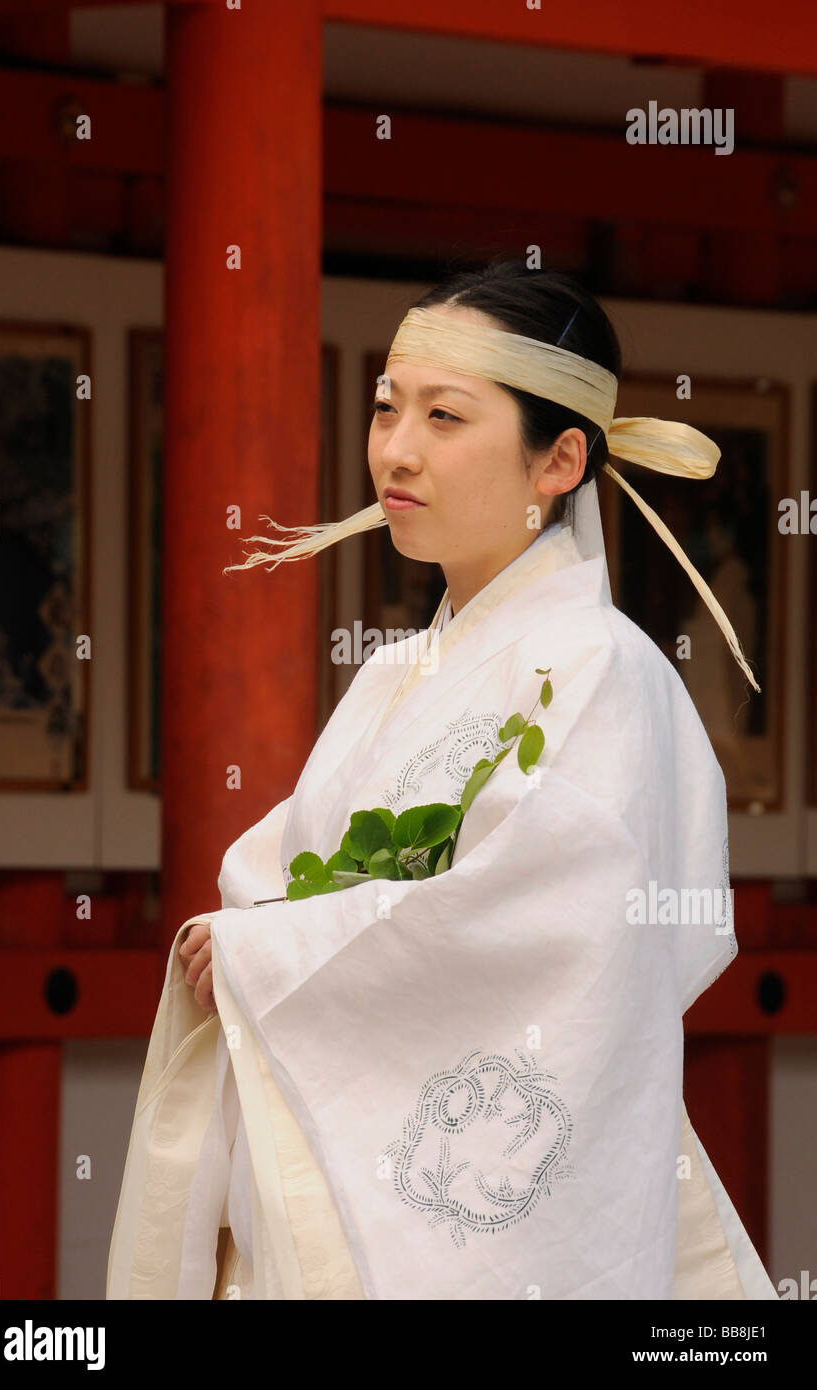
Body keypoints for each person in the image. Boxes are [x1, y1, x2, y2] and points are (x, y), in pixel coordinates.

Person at [107, 262, 777, 1300]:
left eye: (444, 415)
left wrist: (268, 947)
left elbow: (553, 929)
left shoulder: (603, 668)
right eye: (386, 409)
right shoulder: (393, 672)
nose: (397, 449)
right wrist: (256, 933)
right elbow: (282, 869)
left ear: (558, 459)